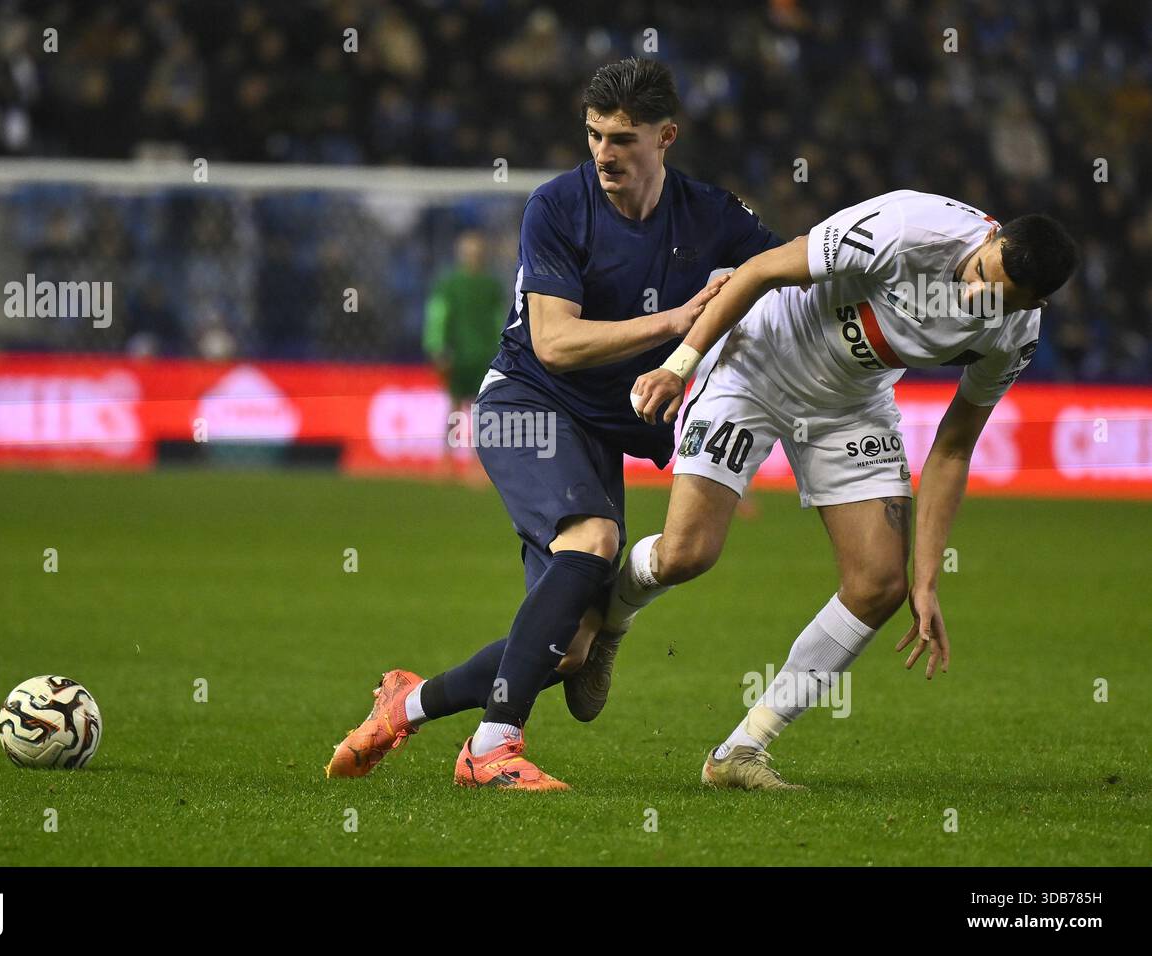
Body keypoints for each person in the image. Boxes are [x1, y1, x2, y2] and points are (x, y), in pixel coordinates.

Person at [325, 57, 781, 789]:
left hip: (597, 432)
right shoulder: (558, 206)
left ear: (666, 137)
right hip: (524, 406)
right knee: (594, 540)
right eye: (595, 134)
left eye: (623, 138)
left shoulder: (713, 217)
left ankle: (401, 705)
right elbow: (555, 343)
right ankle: (489, 750)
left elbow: (785, 271)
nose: (604, 152)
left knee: (566, 650)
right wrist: (678, 318)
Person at [586, 190, 1077, 790]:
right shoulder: (905, 227)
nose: (976, 294)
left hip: (850, 405)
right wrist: (679, 365)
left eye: (997, 298)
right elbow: (763, 269)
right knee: (687, 554)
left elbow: (952, 447)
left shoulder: (1016, 337)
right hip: (761, 359)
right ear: (990, 237)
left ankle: (741, 751)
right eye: (980, 272)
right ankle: (611, 620)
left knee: (881, 584)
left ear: (1035, 303)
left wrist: (926, 579)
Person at [422, 230, 505, 479]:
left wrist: (502, 349)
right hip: (457, 355)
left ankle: (477, 463)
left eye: (476, 252)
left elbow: (498, 320)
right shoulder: (449, 284)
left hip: (485, 355)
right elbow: (438, 315)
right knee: (455, 406)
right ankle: (447, 458)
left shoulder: (491, 286)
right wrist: (437, 346)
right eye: (468, 252)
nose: (473, 257)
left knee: (481, 410)